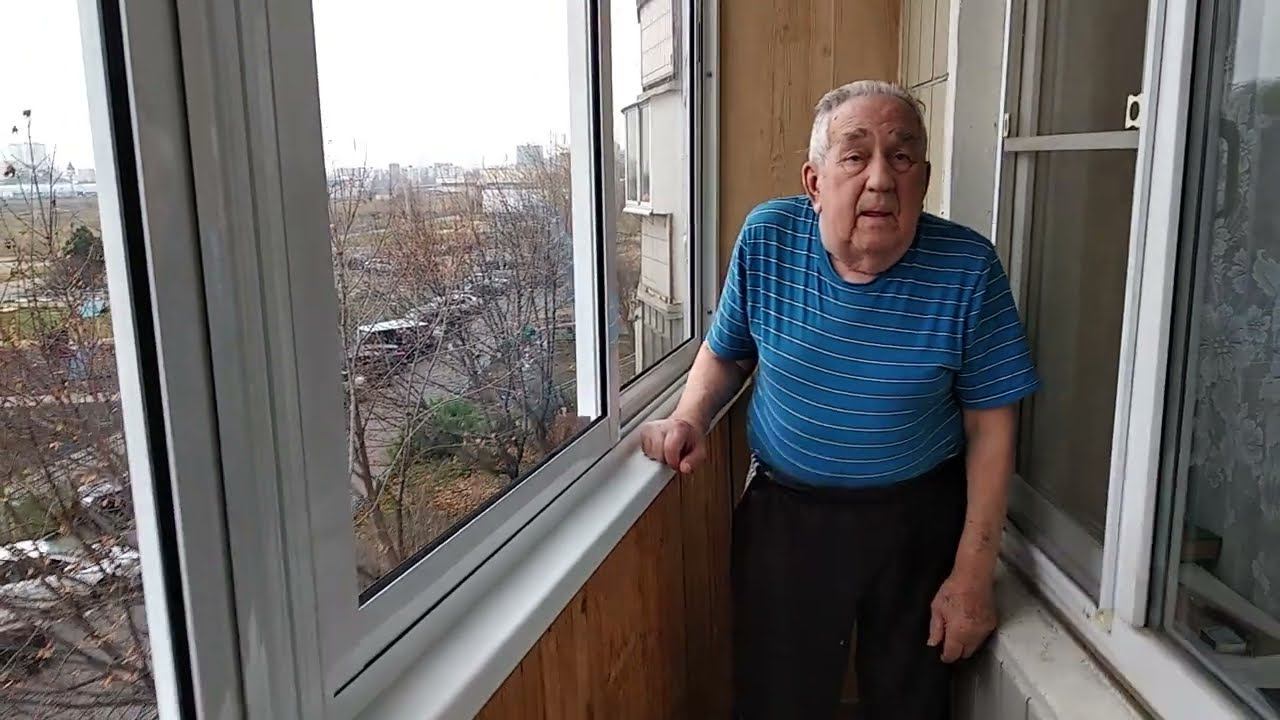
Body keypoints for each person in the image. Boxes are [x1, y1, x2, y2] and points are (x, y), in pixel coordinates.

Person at [640, 80, 1039, 719]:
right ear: (815, 182)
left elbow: (991, 426)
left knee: (910, 703)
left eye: (902, 157)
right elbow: (728, 352)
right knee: (778, 700)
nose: (881, 178)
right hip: (787, 513)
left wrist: (972, 574)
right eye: (855, 156)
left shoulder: (968, 267)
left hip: (918, 514)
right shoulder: (768, 238)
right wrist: (690, 416)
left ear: (923, 179)